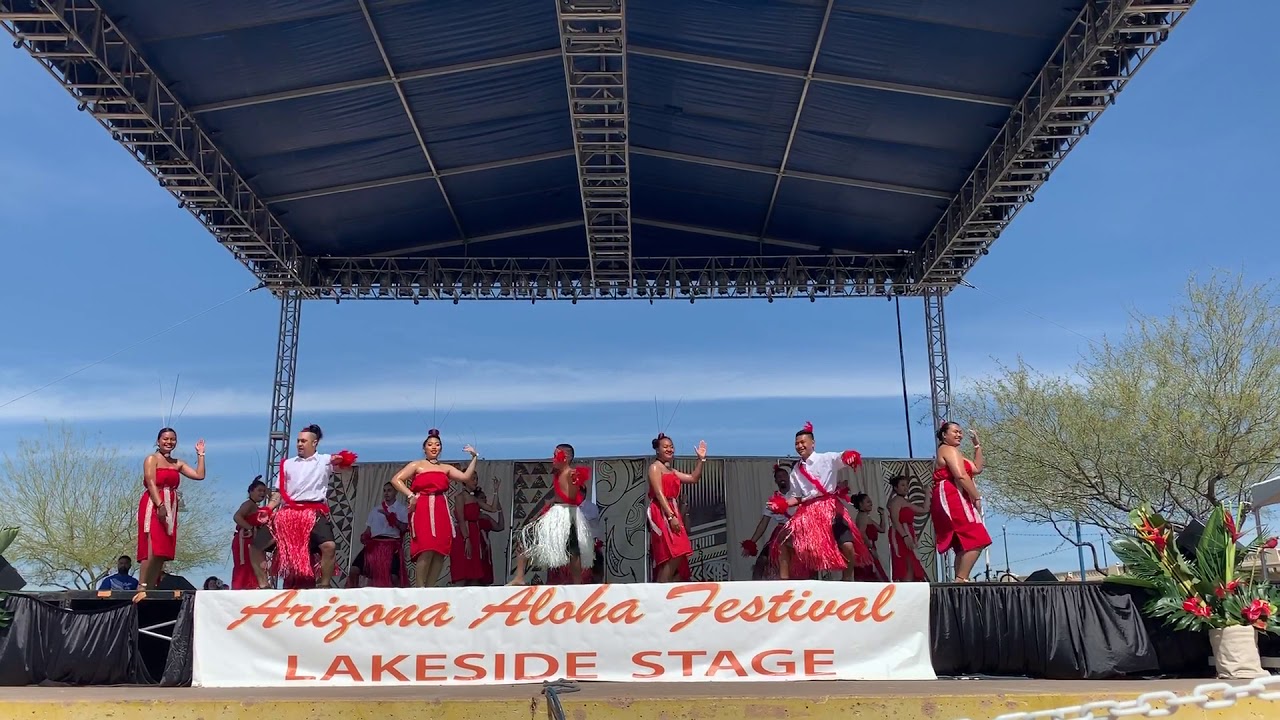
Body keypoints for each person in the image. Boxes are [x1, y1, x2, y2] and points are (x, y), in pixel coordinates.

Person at [771, 421, 871, 581]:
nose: (799, 446)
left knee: (848, 546)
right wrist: (782, 504)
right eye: (796, 443)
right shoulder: (796, 470)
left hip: (831, 509)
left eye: (803, 442)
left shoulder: (827, 459)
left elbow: (843, 456)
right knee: (783, 541)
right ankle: (785, 582)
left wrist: (850, 456)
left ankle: (847, 580)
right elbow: (796, 497)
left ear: (813, 443)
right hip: (809, 512)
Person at [266, 424, 357, 588]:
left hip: (314, 512)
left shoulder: (325, 460)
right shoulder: (287, 464)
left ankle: (324, 585)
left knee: (329, 546)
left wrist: (343, 459)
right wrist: (268, 509)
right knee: (264, 546)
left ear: (314, 443)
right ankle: (268, 586)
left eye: (303, 441)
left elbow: (345, 465)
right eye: (298, 441)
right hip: (289, 513)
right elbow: (278, 492)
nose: (299, 444)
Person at [390, 429, 478, 588]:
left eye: (437, 445)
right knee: (427, 547)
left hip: (440, 508)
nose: (434, 447)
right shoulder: (416, 465)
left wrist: (474, 457)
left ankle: (430, 588)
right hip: (422, 506)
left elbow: (465, 478)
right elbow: (396, 480)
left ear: (441, 448)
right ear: (424, 448)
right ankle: (420, 586)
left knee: (440, 550)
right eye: (430, 444)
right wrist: (410, 495)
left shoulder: (445, 468)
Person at [135, 428, 205, 601]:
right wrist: (159, 504)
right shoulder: (152, 459)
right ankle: (142, 585)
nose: (169, 442)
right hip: (154, 502)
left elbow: (199, 475)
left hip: (170, 504)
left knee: (162, 550)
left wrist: (201, 454)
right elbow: (151, 483)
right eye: (165, 439)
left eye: (173, 439)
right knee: (152, 545)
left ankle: (152, 585)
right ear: (158, 441)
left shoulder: (177, 463)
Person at [510, 444, 592, 585]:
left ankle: (578, 583)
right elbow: (558, 496)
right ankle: (519, 577)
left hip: (568, 513)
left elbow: (573, 497)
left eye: (556, 455)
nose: (552, 459)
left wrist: (576, 482)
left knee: (573, 549)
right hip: (557, 513)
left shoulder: (571, 474)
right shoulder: (559, 474)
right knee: (524, 537)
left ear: (565, 458)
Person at [931, 422, 990, 582]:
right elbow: (961, 475)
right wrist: (976, 497)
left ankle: (959, 580)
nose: (959, 435)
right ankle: (961, 580)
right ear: (944, 435)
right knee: (978, 537)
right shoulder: (948, 449)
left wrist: (977, 446)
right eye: (955, 431)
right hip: (952, 497)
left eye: (961, 432)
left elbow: (977, 468)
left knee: (963, 545)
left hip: (958, 496)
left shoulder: (956, 453)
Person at [647, 433, 708, 583]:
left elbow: (694, 478)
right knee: (675, 551)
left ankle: (663, 586)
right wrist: (670, 516)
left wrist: (701, 460)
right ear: (657, 450)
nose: (669, 449)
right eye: (665, 446)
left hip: (671, 509)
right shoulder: (655, 467)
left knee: (676, 554)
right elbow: (659, 493)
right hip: (662, 510)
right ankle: (661, 588)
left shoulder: (672, 471)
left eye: (671, 446)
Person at [741, 464, 798, 580]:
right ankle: (756, 588)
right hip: (780, 532)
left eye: (784, 475)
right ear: (776, 481)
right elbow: (763, 524)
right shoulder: (772, 500)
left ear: (789, 477)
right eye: (778, 476)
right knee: (761, 561)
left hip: (798, 531)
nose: (782, 478)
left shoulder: (797, 494)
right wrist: (751, 543)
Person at [348, 482, 410, 588]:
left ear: (396, 492)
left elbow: (404, 528)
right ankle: (353, 598)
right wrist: (364, 536)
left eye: (389, 490)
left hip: (391, 546)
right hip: (374, 546)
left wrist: (391, 518)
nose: (386, 493)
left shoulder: (402, 509)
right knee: (354, 570)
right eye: (384, 490)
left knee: (393, 577)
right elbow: (368, 530)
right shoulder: (375, 510)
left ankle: (396, 601)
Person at [450, 478, 503, 586]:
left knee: (474, 574)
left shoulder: (475, 499)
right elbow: (461, 519)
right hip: (463, 534)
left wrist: (495, 491)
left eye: (477, 479)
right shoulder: (460, 497)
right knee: (462, 572)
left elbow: (493, 509)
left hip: (474, 534)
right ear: (465, 481)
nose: (476, 481)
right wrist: (466, 538)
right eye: (473, 479)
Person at [887, 474, 930, 582]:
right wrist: (905, 536)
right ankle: (907, 587)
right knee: (906, 564)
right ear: (896, 488)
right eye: (902, 485)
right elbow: (895, 520)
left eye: (907, 485)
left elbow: (924, 510)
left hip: (907, 533)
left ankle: (909, 586)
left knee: (911, 563)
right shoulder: (896, 501)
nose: (906, 487)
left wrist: (927, 493)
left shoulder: (905, 502)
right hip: (900, 534)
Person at [231, 478, 271, 589]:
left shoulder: (256, 506)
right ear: (251, 491)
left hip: (252, 540)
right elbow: (237, 517)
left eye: (264, 491)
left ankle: (252, 586)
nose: (262, 493)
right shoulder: (249, 504)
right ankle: (243, 587)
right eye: (259, 490)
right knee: (246, 565)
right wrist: (250, 528)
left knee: (255, 565)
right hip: (244, 539)